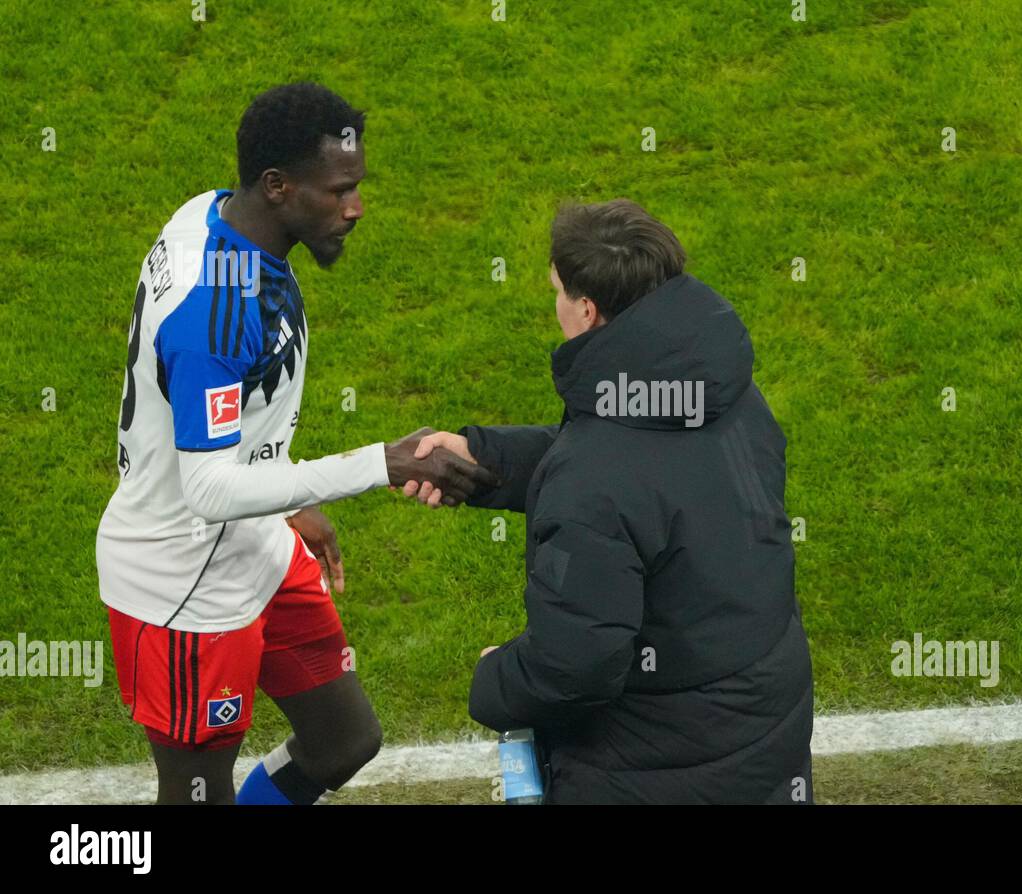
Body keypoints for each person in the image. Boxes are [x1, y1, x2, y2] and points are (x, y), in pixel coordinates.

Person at [96, 82, 495, 805]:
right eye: (339, 191)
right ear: (277, 187)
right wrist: (383, 462)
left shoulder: (219, 217)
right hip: (184, 583)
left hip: (251, 541)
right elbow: (208, 490)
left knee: (344, 740)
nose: (356, 208)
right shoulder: (214, 316)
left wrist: (279, 499)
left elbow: (229, 438)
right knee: (195, 792)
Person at [403, 199, 815, 804]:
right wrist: (486, 459)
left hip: (652, 771)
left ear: (588, 310)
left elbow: (576, 667)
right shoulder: (723, 392)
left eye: (558, 293)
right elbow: (645, 470)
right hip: (764, 739)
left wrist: (494, 679)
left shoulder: (594, 474)